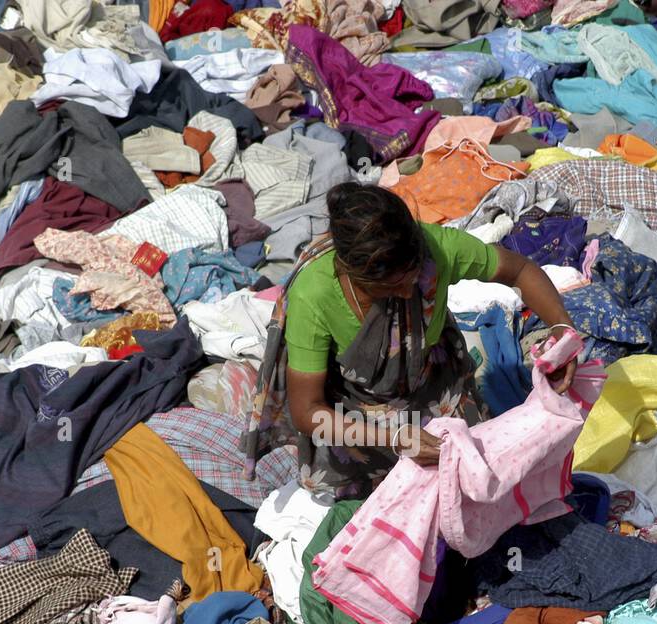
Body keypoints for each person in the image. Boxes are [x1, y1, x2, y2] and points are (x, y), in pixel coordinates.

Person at [243, 182, 581, 499]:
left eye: (414, 277)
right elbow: (307, 412)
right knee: (378, 507)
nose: (409, 294)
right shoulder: (314, 295)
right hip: (354, 417)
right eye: (389, 288)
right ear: (348, 271)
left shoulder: (437, 248)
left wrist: (563, 331)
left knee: (474, 480)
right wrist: (397, 438)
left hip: (432, 382)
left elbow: (520, 270)